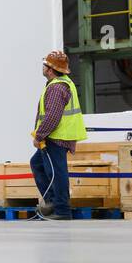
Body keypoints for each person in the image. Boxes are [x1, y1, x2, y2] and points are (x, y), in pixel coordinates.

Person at [30, 50, 87, 221]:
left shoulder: (56, 87)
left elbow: (52, 117)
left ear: (50, 69)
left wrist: (39, 136)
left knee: (57, 173)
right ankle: (52, 203)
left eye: (45, 65)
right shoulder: (61, 83)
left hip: (56, 137)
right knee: (38, 164)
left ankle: (61, 210)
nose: (43, 67)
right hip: (56, 137)